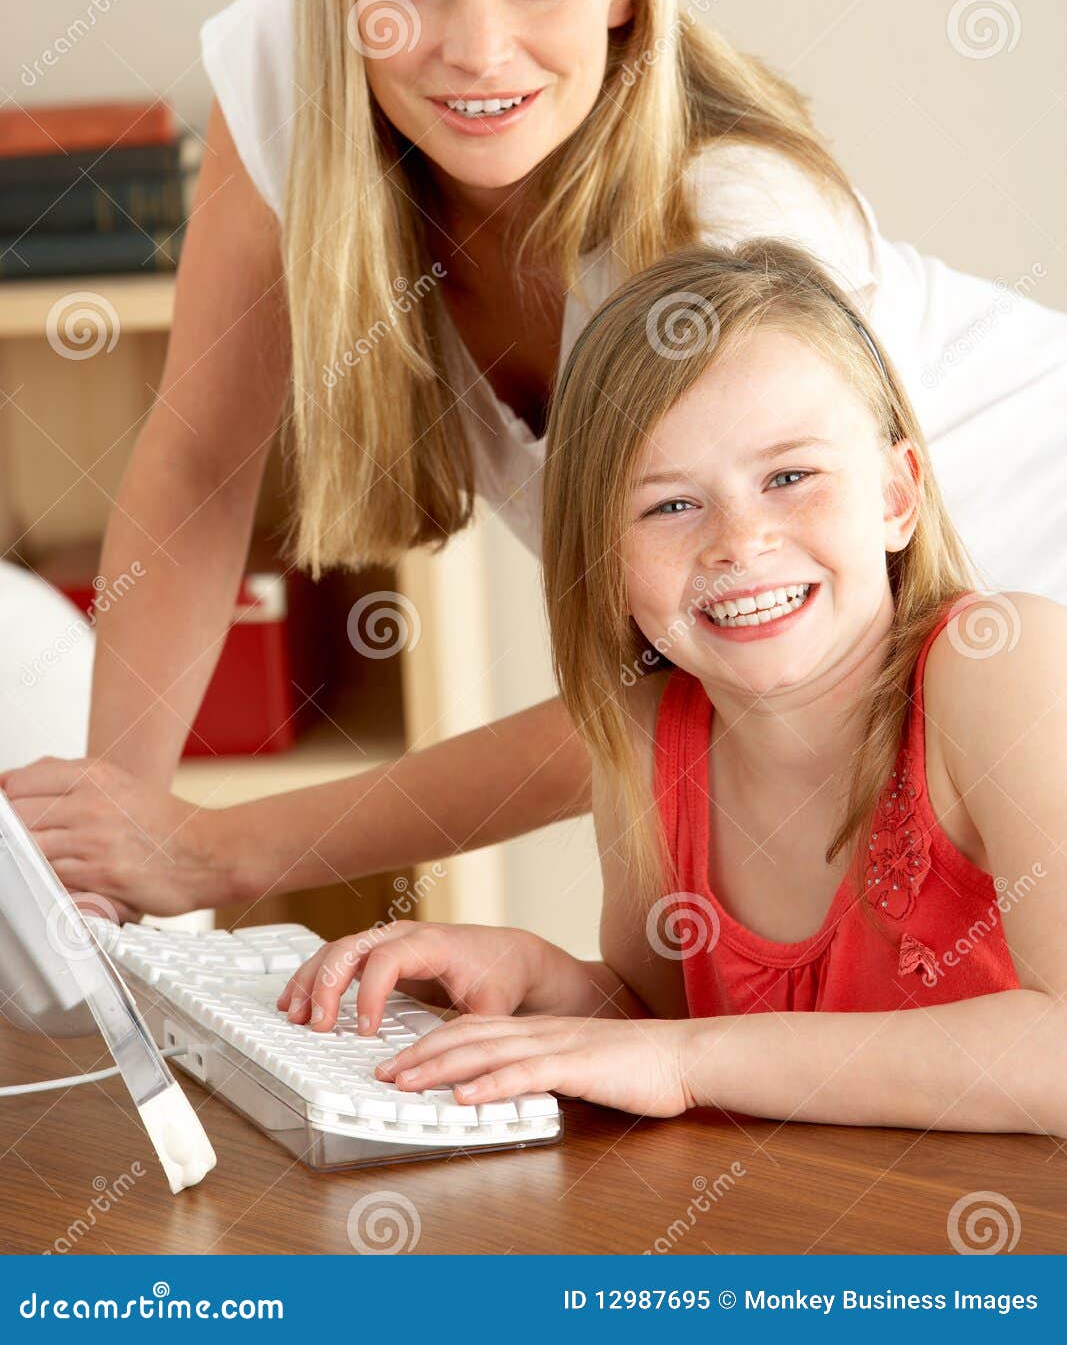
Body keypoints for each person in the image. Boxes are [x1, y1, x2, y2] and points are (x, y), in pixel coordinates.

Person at [2, 0, 1065, 924]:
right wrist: (101, 861)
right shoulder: (296, 64)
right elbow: (199, 461)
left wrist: (220, 851)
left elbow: (672, 664)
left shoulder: (730, 231)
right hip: (805, 700)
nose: (475, 48)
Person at [276, 240, 1067, 1135]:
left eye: (789, 477)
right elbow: (668, 1030)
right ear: (603, 564)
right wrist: (545, 983)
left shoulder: (1005, 666)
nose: (739, 541)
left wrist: (682, 1061)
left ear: (894, 496)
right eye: (669, 506)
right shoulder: (649, 735)